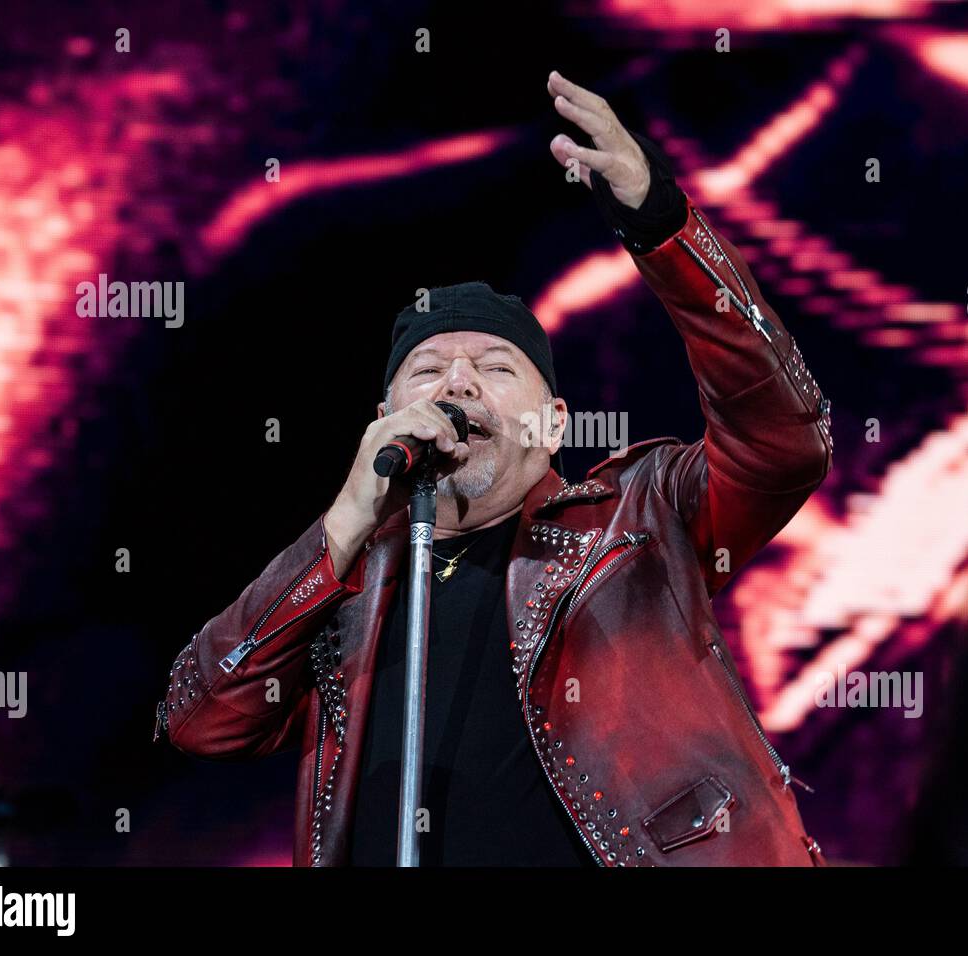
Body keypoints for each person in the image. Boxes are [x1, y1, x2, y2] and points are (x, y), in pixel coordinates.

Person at [155, 71, 834, 867]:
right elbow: (199, 718)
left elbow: (784, 437)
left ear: (554, 425)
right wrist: (344, 521)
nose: (458, 383)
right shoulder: (347, 589)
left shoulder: (639, 518)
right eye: (429, 371)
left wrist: (660, 224)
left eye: (496, 368)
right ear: (384, 421)